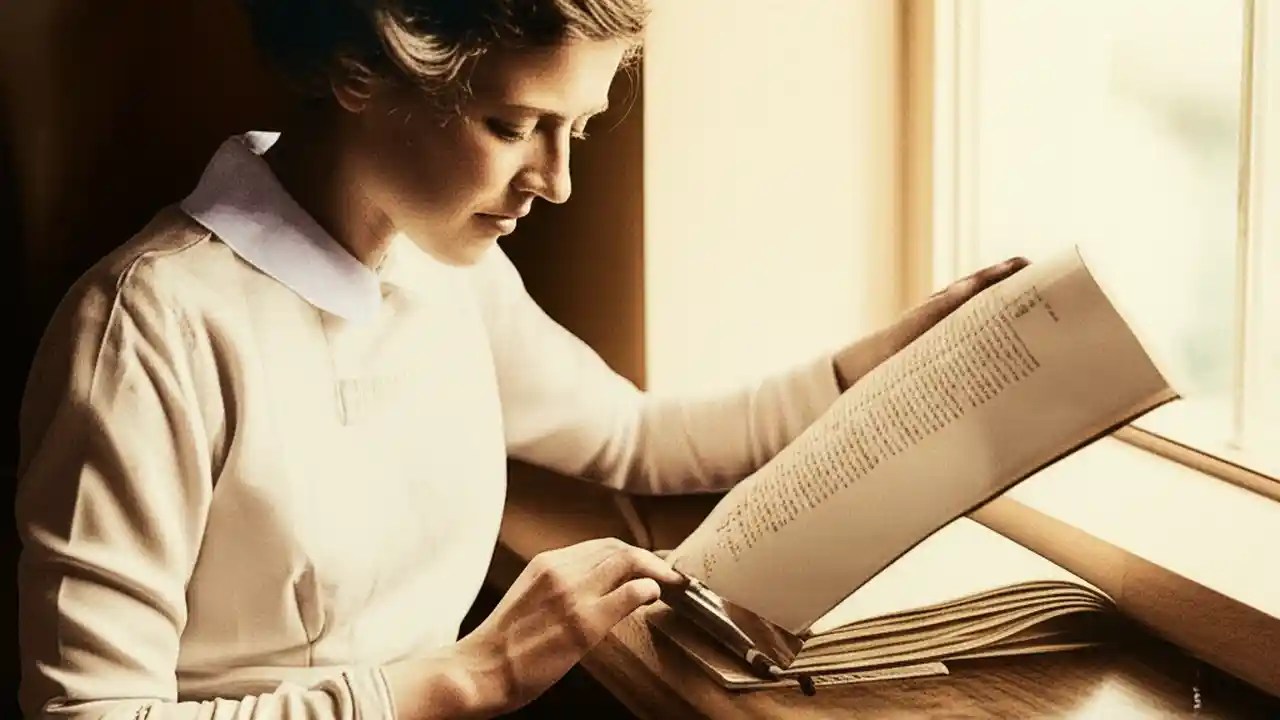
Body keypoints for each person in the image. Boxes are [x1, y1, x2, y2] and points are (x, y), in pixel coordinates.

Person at [13, 1, 1027, 718]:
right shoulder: (151, 327)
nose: (557, 182)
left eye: (576, 130)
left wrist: (886, 365)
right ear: (361, 70)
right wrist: (472, 677)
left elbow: (636, 438)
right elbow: (92, 716)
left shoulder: (449, 274)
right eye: (514, 127)